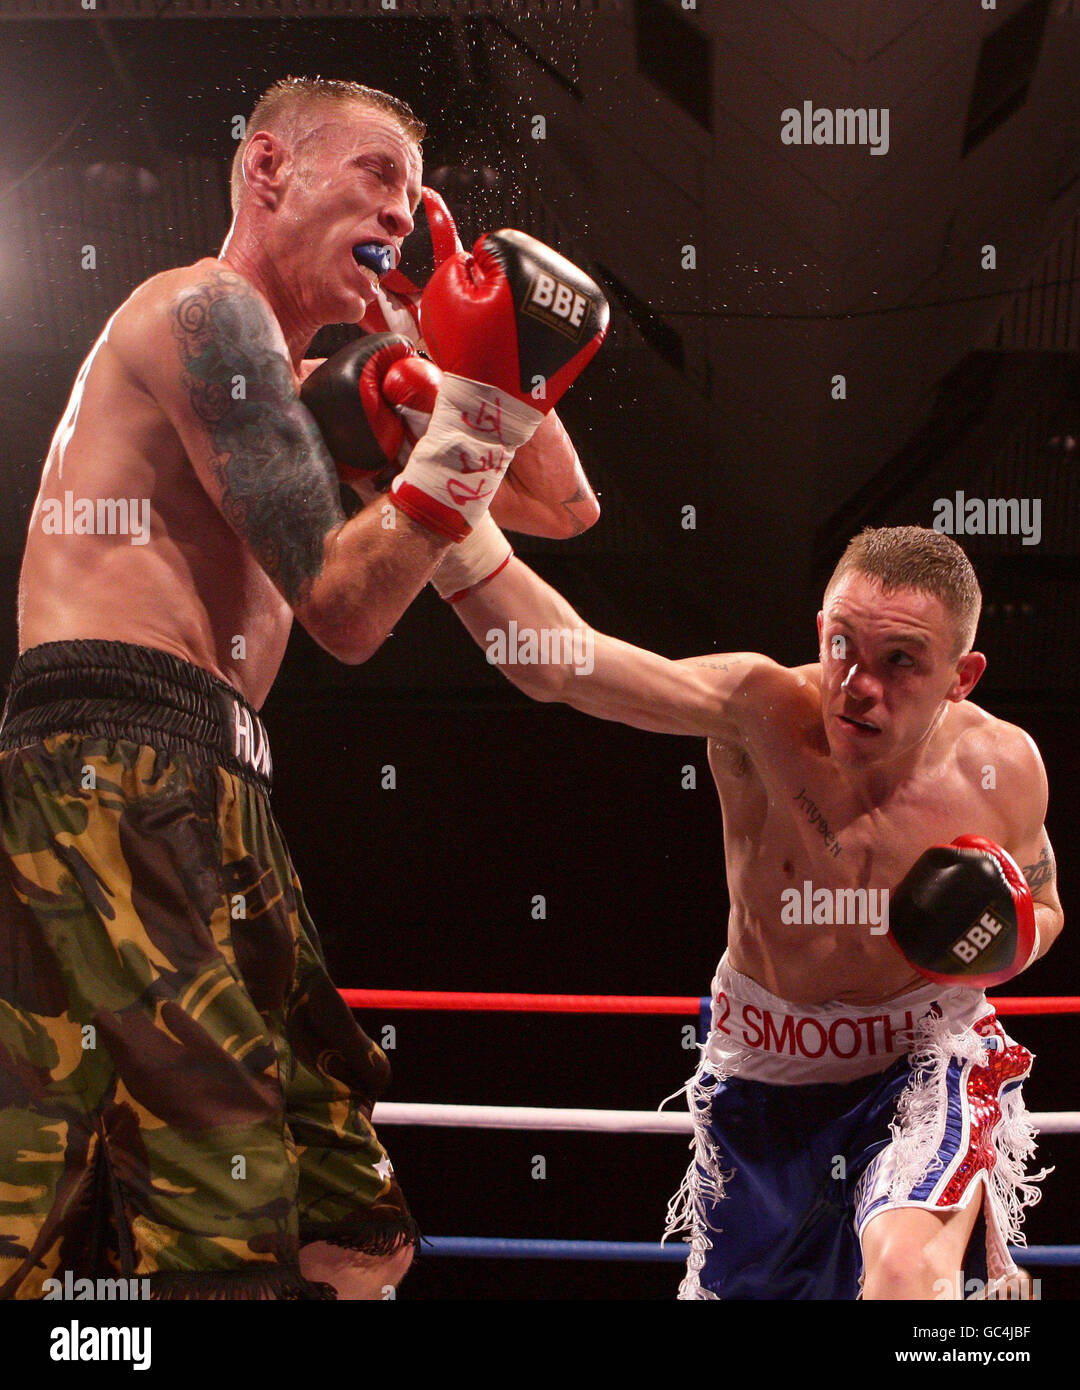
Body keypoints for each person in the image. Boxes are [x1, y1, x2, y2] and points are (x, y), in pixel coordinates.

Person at [0, 75, 606, 1300]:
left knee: (350, 1224)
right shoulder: (208, 311)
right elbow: (343, 607)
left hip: (214, 785)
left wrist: (458, 333)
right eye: (378, 175)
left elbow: (561, 502)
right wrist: (473, 409)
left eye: (418, 193)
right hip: (113, 761)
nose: (404, 207)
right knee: (206, 1220)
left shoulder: (313, 394)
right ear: (268, 172)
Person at [436, 517, 1063, 1300]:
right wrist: (446, 526)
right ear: (820, 631)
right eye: (843, 646)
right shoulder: (758, 709)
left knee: (908, 1278)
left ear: (960, 677)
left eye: (901, 661)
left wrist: (1002, 942)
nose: (858, 685)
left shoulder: (1001, 766)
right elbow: (565, 664)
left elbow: (1042, 904)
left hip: (923, 1058)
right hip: (764, 1075)